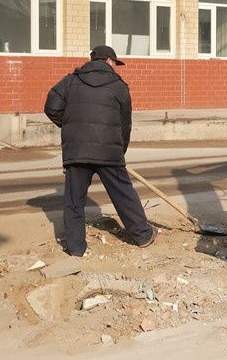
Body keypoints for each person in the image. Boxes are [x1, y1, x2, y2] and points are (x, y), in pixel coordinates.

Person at [44, 45, 156, 256]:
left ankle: (76, 248)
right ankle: (143, 235)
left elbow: (51, 107)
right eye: (116, 63)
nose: (116, 67)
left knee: (74, 201)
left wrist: (73, 128)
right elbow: (125, 124)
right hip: (108, 152)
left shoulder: (70, 81)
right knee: (124, 195)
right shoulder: (119, 86)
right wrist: (120, 150)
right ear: (109, 61)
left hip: (77, 152)